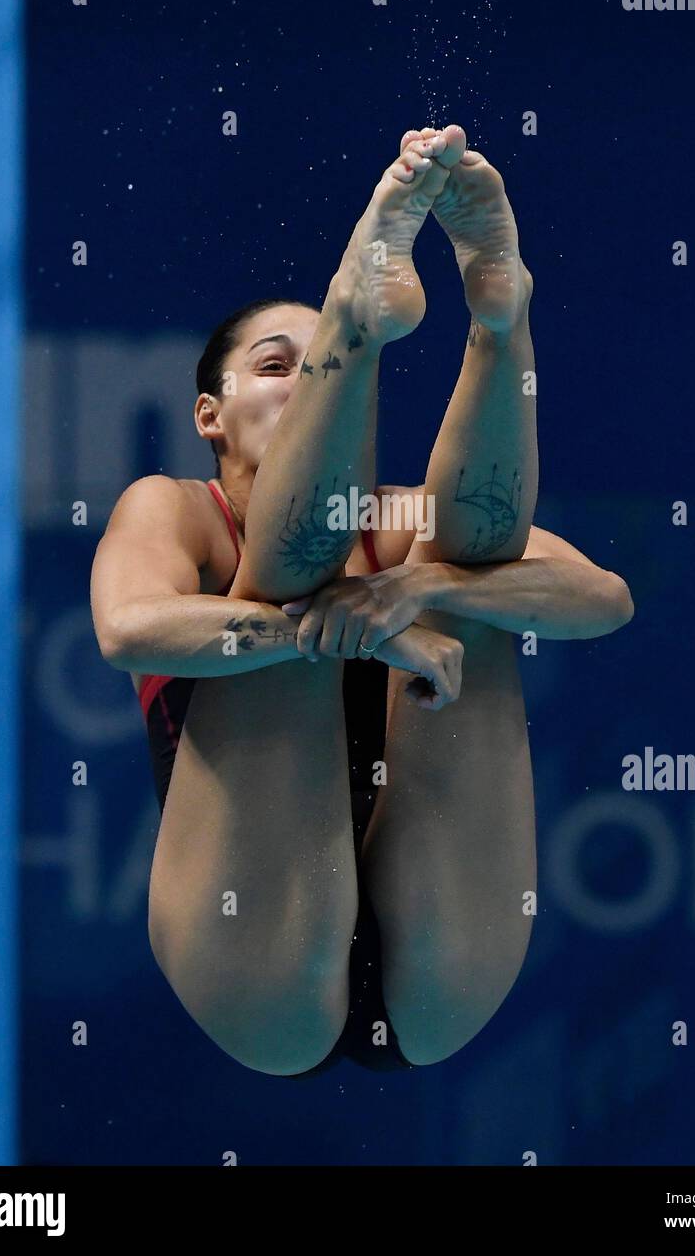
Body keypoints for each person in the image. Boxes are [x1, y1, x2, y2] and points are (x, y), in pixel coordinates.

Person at [90, 124, 634, 1077]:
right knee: (297, 572)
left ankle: (499, 321)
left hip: (445, 957)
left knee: (469, 564)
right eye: (274, 366)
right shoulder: (174, 509)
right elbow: (130, 631)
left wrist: (419, 588)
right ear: (208, 417)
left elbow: (602, 600)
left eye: (314, 363)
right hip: (254, 965)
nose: (299, 390)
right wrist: (355, 635)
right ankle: (355, 311)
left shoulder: (400, 527)